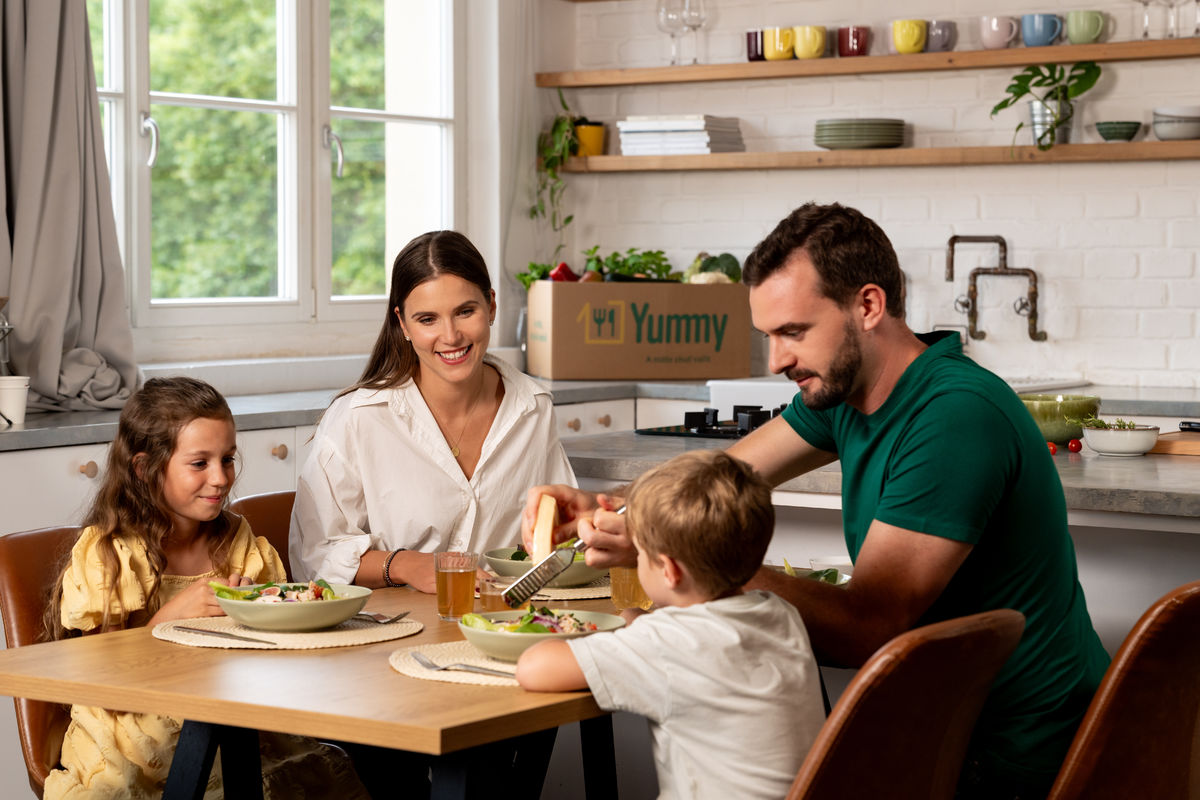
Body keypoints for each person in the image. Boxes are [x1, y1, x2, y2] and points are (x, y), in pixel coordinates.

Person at [522, 202, 1111, 799]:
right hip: (941, 730)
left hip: (1015, 756)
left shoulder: (952, 417)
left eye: (793, 332)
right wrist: (612, 504)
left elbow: (871, 629)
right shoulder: (849, 393)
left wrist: (693, 559)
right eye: (769, 336)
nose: (776, 360)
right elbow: (719, 475)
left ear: (868, 306)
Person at [42, 377, 368, 800]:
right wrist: (168, 619)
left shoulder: (236, 541)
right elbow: (97, 671)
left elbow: (276, 652)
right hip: (137, 729)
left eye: (228, 459)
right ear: (144, 469)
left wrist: (261, 611)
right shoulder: (110, 551)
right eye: (200, 463)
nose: (220, 478)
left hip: (235, 710)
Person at [516, 449, 825, 799]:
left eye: (639, 553)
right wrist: (638, 621)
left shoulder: (667, 644)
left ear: (669, 570)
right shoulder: (782, 614)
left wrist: (636, 628)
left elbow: (534, 668)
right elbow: (679, 641)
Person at [290, 230, 575, 592]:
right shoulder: (359, 417)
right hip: (393, 627)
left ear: (491, 305)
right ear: (403, 323)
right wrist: (408, 565)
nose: (451, 336)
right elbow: (313, 557)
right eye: (428, 319)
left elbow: (558, 534)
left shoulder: (533, 408)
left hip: (504, 621)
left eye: (465, 312)